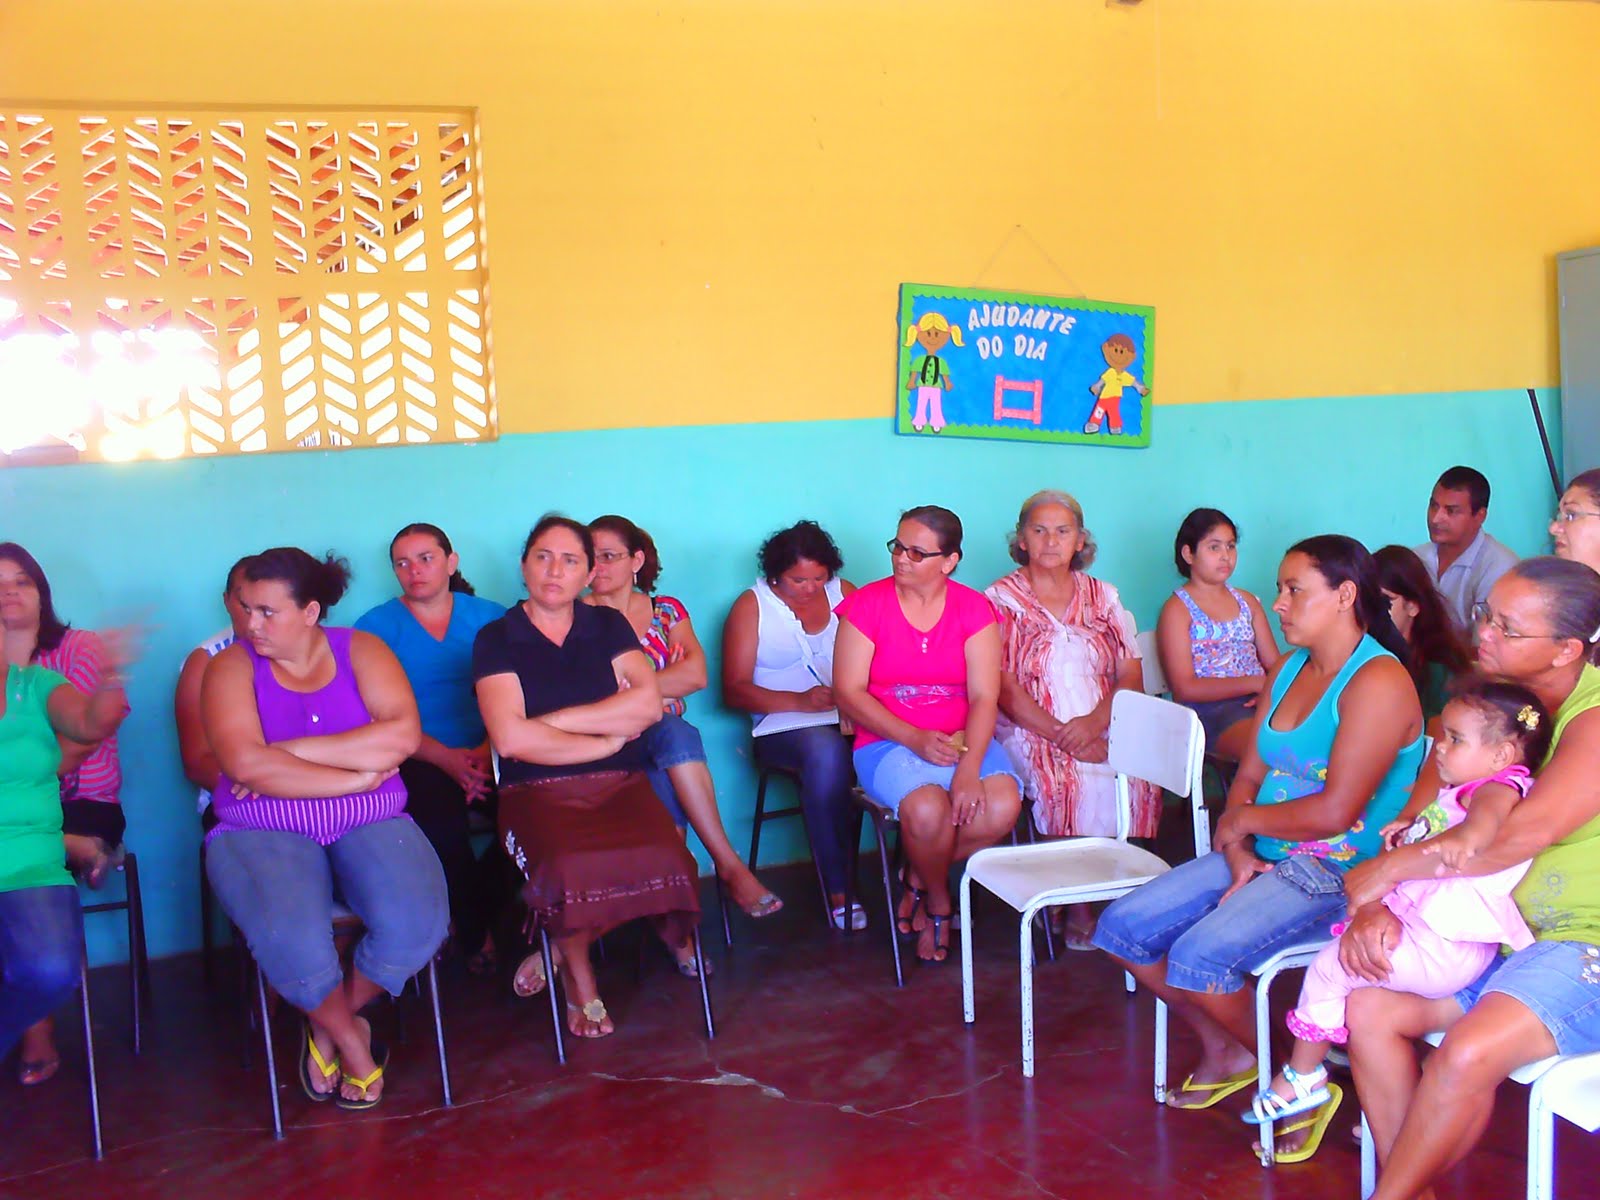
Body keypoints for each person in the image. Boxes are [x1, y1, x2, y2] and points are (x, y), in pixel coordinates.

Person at [1090, 534, 1424, 1126]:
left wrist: (1242, 821)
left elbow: (1335, 813)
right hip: (1265, 850)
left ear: (1345, 596)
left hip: (1336, 868)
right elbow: (1248, 773)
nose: (1278, 603)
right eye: (1279, 588)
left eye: (1294, 589)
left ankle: (1298, 1082)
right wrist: (1240, 845)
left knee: (1198, 959)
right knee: (1122, 929)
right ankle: (1234, 1050)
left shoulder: (1378, 680)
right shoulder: (1291, 667)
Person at [1341, 554, 1600, 1199]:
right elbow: (1415, 823)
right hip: (1498, 934)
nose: (1483, 634)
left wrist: (1383, 874)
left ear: (1568, 649)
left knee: (1464, 1053)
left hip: (1582, 942)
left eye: (1508, 629)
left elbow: (1518, 837)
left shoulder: (1593, 721)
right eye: (1486, 615)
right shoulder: (1481, 710)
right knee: (1367, 1007)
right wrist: (1379, 903)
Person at [1243, 679, 1548, 1159]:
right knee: (1354, 968)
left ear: (1501, 755)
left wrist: (1464, 842)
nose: (1440, 749)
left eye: (1454, 739)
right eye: (1442, 736)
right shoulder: (1463, 788)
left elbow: (1486, 821)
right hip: (1433, 934)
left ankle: (1304, 1077)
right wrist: (1413, 830)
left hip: (1445, 946)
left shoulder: (1497, 788)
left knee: (1332, 965)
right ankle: (1384, 1112)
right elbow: (1443, 828)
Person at [203, 548, 447, 1109]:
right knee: (292, 937)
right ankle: (352, 1043)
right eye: (246, 609)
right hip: (259, 826)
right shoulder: (230, 667)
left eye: (267, 612)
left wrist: (288, 752)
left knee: (418, 922)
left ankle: (328, 1024)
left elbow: (401, 738)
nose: (251, 624)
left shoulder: (363, 650)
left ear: (310, 612)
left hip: (372, 816)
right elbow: (246, 767)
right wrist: (355, 779)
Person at [473, 516, 701, 1038]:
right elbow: (509, 742)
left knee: (671, 861)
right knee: (569, 870)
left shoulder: (608, 627)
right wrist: (600, 734)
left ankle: (555, 945)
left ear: (587, 573)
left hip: (618, 781)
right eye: (542, 557)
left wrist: (552, 723)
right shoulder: (497, 637)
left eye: (570, 560)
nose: (555, 570)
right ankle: (581, 980)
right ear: (524, 565)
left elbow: (645, 706)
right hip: (535, 788)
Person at [834, 505, 1023, 965]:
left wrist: (970, 767)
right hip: (887, 740)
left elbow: (984, 696)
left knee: (1001, 805)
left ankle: (916, 878)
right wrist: (914, 738)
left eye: (917, 552)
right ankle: (941, 903)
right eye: (898, 546)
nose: (901, 558)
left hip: (963, 737)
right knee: (926, 810)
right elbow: (848, 692)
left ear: (949, 560)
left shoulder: (973, 608)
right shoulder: (865, 605)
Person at [584, 515, 782, 950]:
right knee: (675, 731)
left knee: (673, 739)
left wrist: (630, 690)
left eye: (609, 556)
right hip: (606, 744)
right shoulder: (577, 618)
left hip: (658, 741)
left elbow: (696, 676)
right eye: (589, 557)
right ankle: (726, 870)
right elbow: (588, 697)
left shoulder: (665, 610)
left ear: (636, 560)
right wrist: (657, 683)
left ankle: (680, 930)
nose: (596, 567)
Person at [989, 490, 1159, 948]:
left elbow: (1130, 672)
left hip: (1102, 718)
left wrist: (1093, 724)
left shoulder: (1104, 596)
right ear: (1021, 539)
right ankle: (1076, 902)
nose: (1050, 541)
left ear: (1080, 540)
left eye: (1063, 531)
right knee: (1062, 778)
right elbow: (1002, 685)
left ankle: (1117, 895)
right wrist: (1061, 735)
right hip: (1030, 722)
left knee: (1134, 775)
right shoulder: (1000, 599)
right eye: (1038, 530)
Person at [0, 542, 129, 1085]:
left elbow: (88, 727)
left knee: (50, 969)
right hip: (40, 819)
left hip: (36, 835)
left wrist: (111, 676)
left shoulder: (44, 678)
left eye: (21, 582)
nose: (9, 595)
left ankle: (31, 1026)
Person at [355, 524, 509, 972]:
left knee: (532, 821)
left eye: (425, 558)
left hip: (497, 748)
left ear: (451, 561)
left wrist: (483, 752)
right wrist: (446, 758)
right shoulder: (375, 628)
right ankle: (476, 934)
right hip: (418, 757)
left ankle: (476, 913)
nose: (414, 570)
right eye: (402, 563)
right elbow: (373, 714)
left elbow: (517, 692)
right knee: (441, 831)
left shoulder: (491, 617)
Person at [722, 520, 864, 931]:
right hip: (778, 727)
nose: (809, 587)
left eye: (819, 578)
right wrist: (798, 702)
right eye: (797, 579)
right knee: (826, 752)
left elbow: (877, 659)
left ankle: (914, 885)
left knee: (899, 744)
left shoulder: (846, 593)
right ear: (774, 574)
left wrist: (856, 699)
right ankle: (839, 888)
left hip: (846, 718)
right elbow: (734, 690)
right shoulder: (753, 606)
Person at [1155, 507, 1280, 764]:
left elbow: (1275, 665)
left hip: (1261, 699)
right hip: (1210, 711)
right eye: (1214, 547)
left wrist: (1268, 691)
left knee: (1313, 739)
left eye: (1231, 546)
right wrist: (1255, 683)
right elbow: (1185, 688)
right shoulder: (1177, 610)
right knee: (1269, 753)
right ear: (1188, 554)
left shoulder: (1248, 602)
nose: (1226, 556)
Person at [174, 555, 251, 822]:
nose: (255, 618)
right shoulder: (206, 660)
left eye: (268, 607)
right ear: (227, 601)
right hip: (239, 802)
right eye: (245, 604)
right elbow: (197, 763)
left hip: (313, 794)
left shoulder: (318, 652)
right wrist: (270, 794)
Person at [1373, 544, 1472, 721]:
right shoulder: (1363, 651)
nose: (1372, 611)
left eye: (1386, 600)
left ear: (1412, 606)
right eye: (1367, 600)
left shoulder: (1440, 667)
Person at [1413, 466, 1518, 632]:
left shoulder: (1500, 567)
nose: (1435, 518)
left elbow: (1486, 645)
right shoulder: (1417, 558)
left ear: (1480, 516)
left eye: (1451, 511)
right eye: (1433, 506)